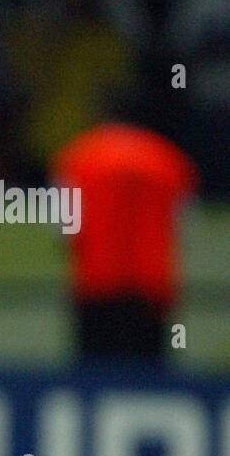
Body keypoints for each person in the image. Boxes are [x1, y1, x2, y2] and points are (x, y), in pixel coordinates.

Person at [52, 121, 197, 362]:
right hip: (152, 291)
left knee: (95, 378)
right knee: (148, 381)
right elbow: (183, 227)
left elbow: (63, 229)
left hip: (96, 287)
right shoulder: (170, 160)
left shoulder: (78, 158)